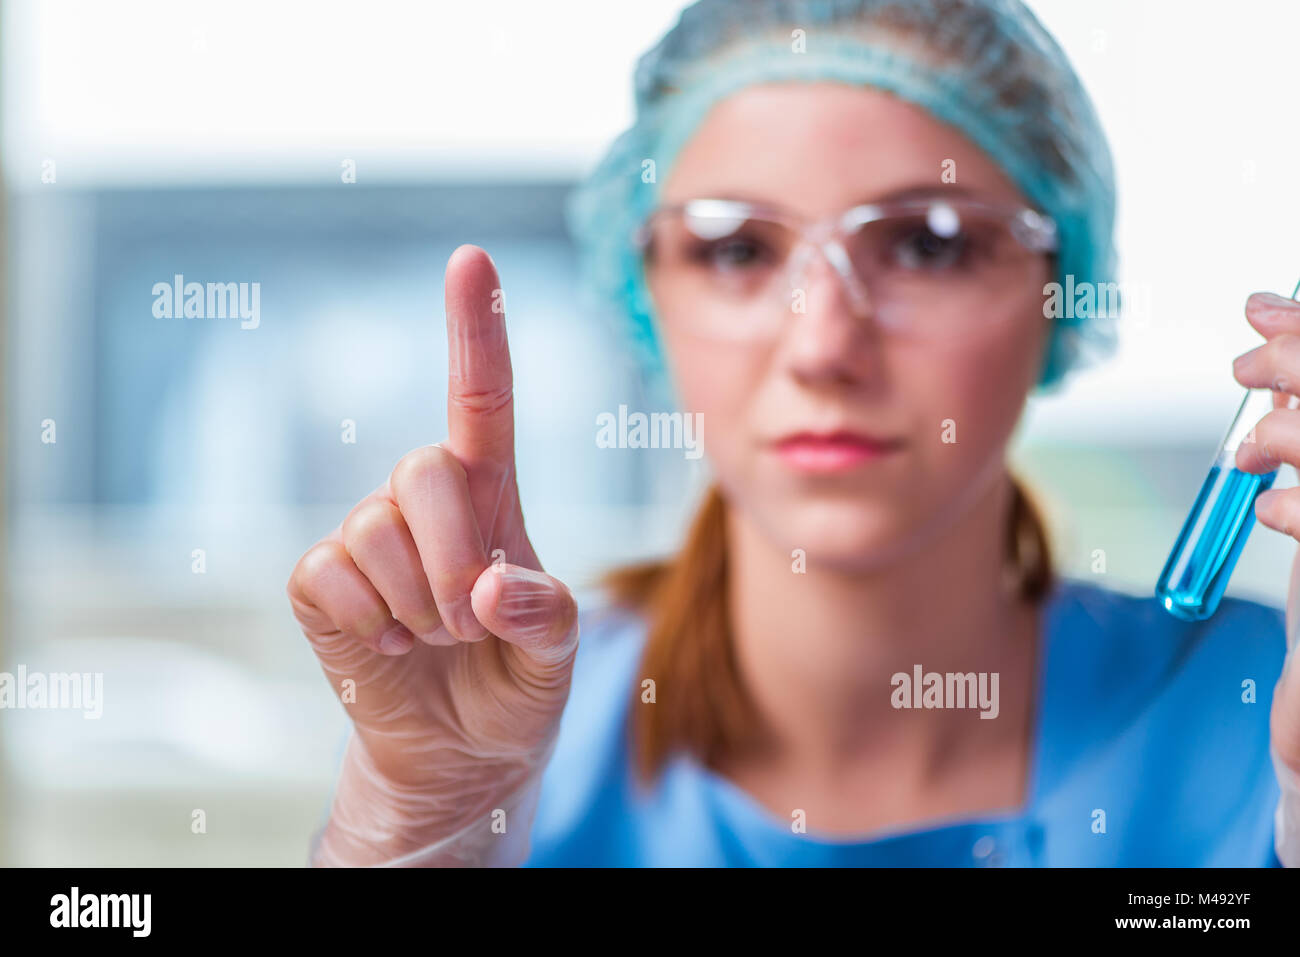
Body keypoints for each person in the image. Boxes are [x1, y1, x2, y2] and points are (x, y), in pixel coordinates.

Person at [288, 0, 1300, 866]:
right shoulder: (496, 724)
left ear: (1059, 291)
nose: (822, 343)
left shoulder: (1261, 716)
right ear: (646, 296)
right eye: (735, 249)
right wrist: (425, 831)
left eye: (927, 243)